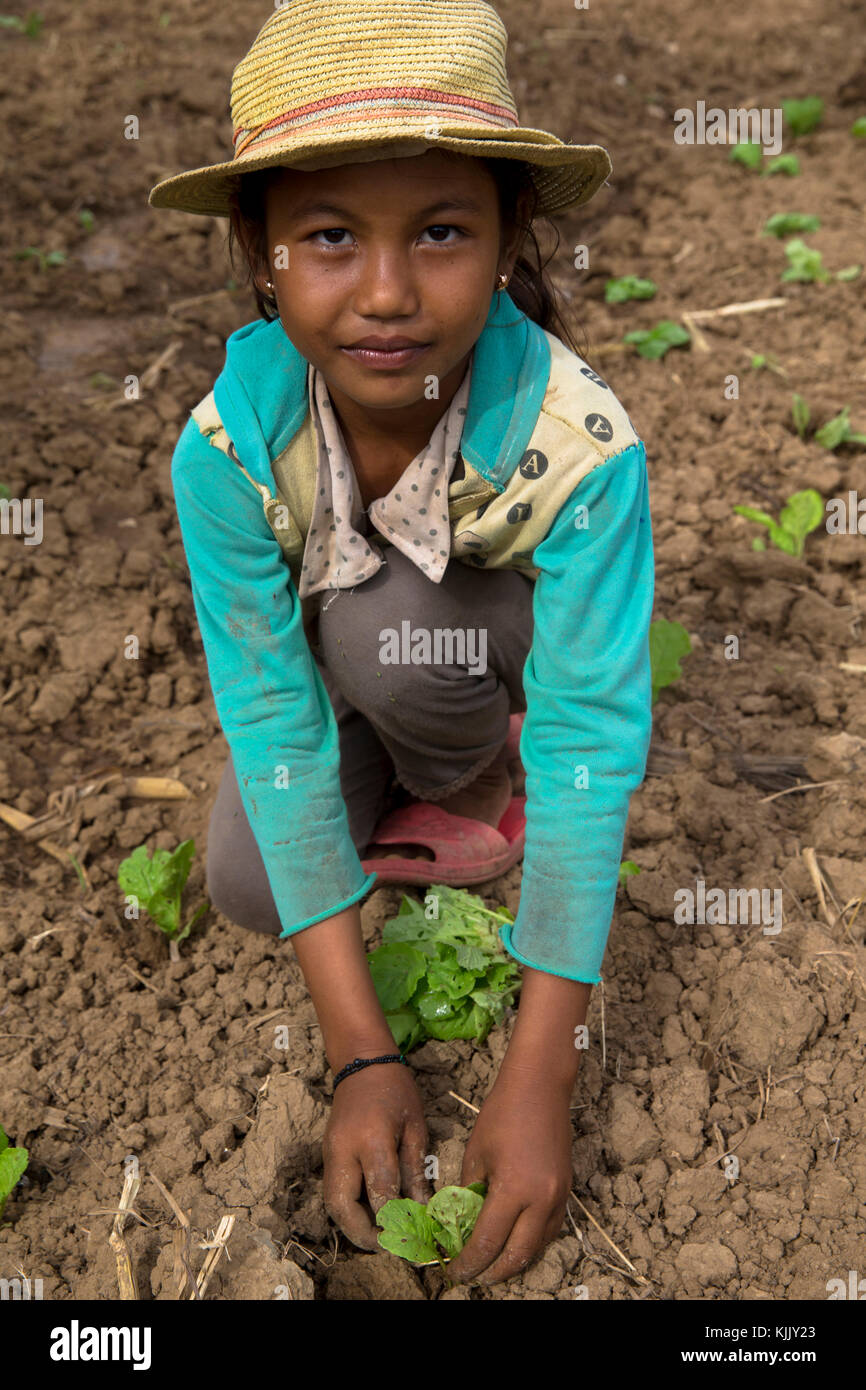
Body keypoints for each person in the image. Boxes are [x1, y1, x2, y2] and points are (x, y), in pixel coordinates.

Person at [148, 0, 654, 1287]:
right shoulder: (223, 452)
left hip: (483, 650)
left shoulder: (579, 445)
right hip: (361, 671)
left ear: (502, 243)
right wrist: (360, 1055)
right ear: (259, 254)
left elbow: (598, 722)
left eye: (438, 232)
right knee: (251, 885)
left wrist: (539, 1079)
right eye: (328, 236)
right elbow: (267, 716)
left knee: (383, 626)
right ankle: (428, 779)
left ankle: (485, 781)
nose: (385, 293)